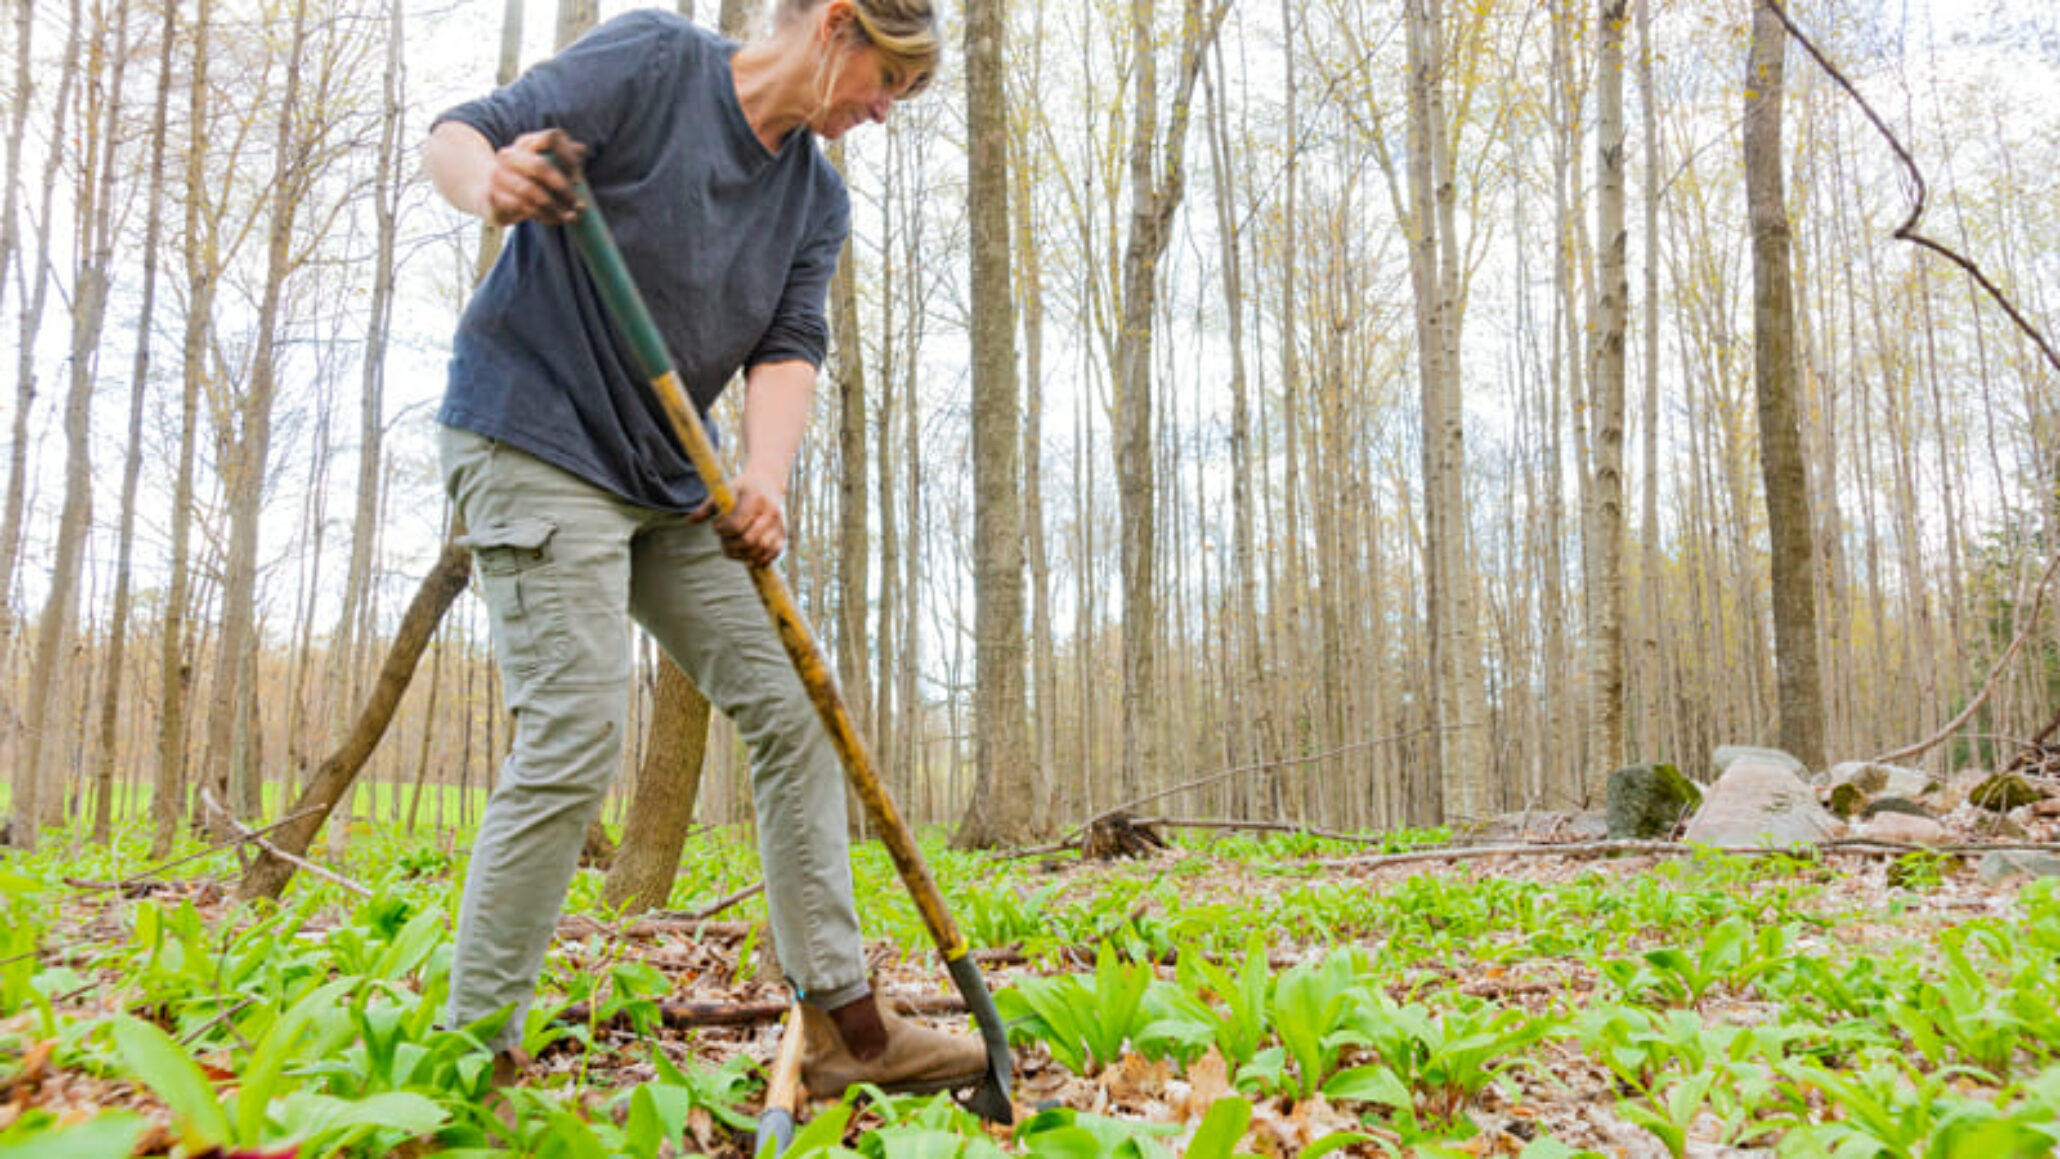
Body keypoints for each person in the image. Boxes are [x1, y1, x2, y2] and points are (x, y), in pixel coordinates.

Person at [422, 0, 985, 1099]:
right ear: (835, 25)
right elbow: (461, 130)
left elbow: (787, 346)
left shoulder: (814, 197)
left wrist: (762, 479)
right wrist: (489, 183)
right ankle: (466, 1058)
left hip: (670, 479)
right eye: (887, 80)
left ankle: (842, 1027)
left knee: (796, 709)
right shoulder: (656, 61)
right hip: (534, 433)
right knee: (575, 733)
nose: (883, 111)